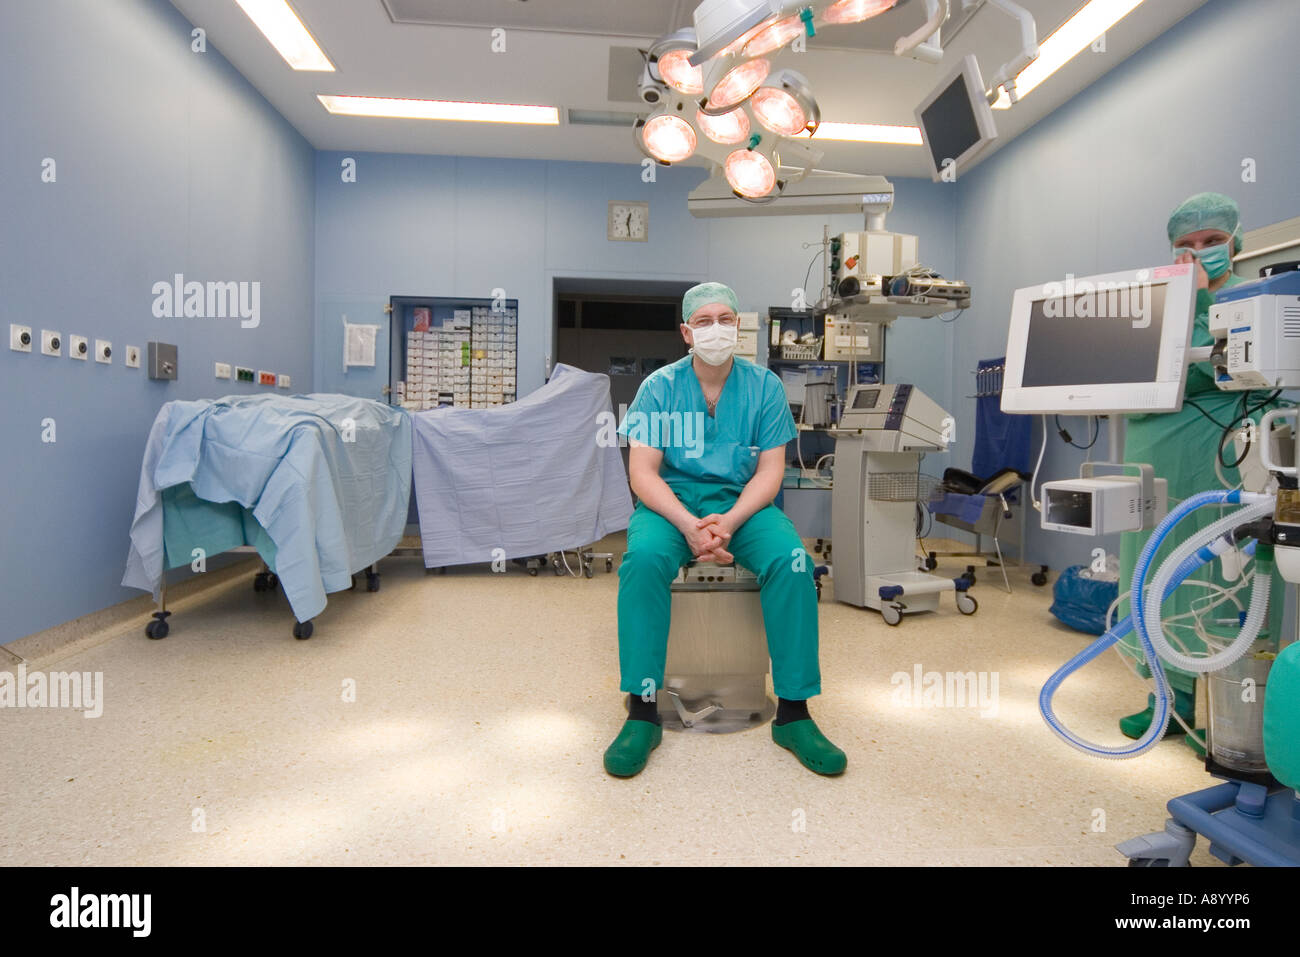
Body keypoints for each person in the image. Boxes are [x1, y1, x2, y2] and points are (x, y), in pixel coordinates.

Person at [603, 282, 846, 778]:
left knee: (793, 563)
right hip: (670, 506)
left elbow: (770, 473)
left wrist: (731, 522)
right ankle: (642, 712)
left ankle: (794, 713)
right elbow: (643, 474)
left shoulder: (764, 388)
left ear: (739, 327)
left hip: (744, 505)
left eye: (726, 319)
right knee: (643, 562)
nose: (716, 329)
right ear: (686, 332)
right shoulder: (659, 389)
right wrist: (689, 525)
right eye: (704, 321)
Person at [1117, 192, 1283, 751]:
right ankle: (1168, 701)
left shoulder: (1259, 300)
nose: (1198, 251)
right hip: (1154, 448)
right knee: (1154, 565)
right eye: (1185, 244)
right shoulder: (1156, 308)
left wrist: (1207, 298)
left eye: (1212, 241)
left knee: (1223, 570)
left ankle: (1230, 716)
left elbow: (1250, 371)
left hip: (1227, 453)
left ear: (1237, 242)